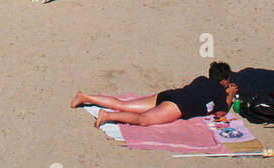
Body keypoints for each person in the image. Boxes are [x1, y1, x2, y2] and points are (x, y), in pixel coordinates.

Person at [71, 62, 236, 130]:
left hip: (170, 95)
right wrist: (230, 94)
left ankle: (86, 97)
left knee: (123, 103)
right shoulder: (219, 90)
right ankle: (107, 115)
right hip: (178, 106)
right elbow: (220, 114)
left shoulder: (201, 79)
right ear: (224, 80)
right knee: (144, 119)